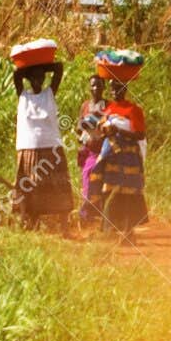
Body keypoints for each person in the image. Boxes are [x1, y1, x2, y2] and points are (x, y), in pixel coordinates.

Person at [11, 58, 74, 232]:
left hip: (51, 147)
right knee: (31, 186)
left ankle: (64, 227)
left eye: (41, 76)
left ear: (45, 78)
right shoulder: (23, 95)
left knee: (58, 186)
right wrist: (30, 66)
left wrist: (41, 65)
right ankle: (31, 223)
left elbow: (59, 68)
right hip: (28, 148)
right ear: (28, 79)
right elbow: (16, 74)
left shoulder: (49, 93)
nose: (38, 80)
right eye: (34, 77)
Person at [91, 115, 148, 242]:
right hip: (111, 155)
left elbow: (140, 135)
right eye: (113, 92)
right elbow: (98, 132)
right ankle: (109, 231)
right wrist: (105, 130)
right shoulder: (108, 112)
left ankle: (128, 232)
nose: (116, 93)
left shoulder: (133, 111)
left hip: (129, 155)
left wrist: (119, 131)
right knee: (108, 192)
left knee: (129, 194)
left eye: (119, 92)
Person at [76, 76, 107, 228]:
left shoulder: (107, 105)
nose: (96, 89)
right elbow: (78, 128)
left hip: (102, 150)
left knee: (99, 182)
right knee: (87, 182)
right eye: (93, 86)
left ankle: (94, 214)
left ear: (104, 87)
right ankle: (87, 215)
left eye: (99, 86)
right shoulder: (86, 106)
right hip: (87, 150)